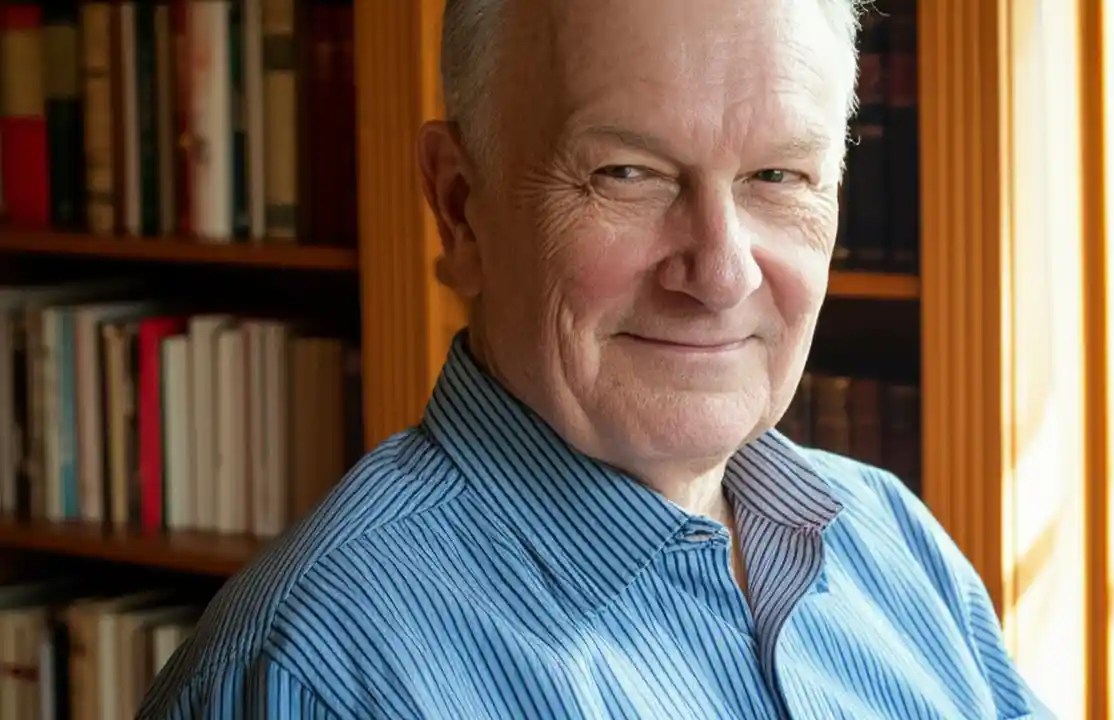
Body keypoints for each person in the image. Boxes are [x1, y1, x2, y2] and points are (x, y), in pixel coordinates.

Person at [139, 0, 1054, 717]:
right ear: (461, 208)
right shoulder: (324, 674)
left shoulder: (890, 543)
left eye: (778, 177)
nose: (721, 272)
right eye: (629, 172)